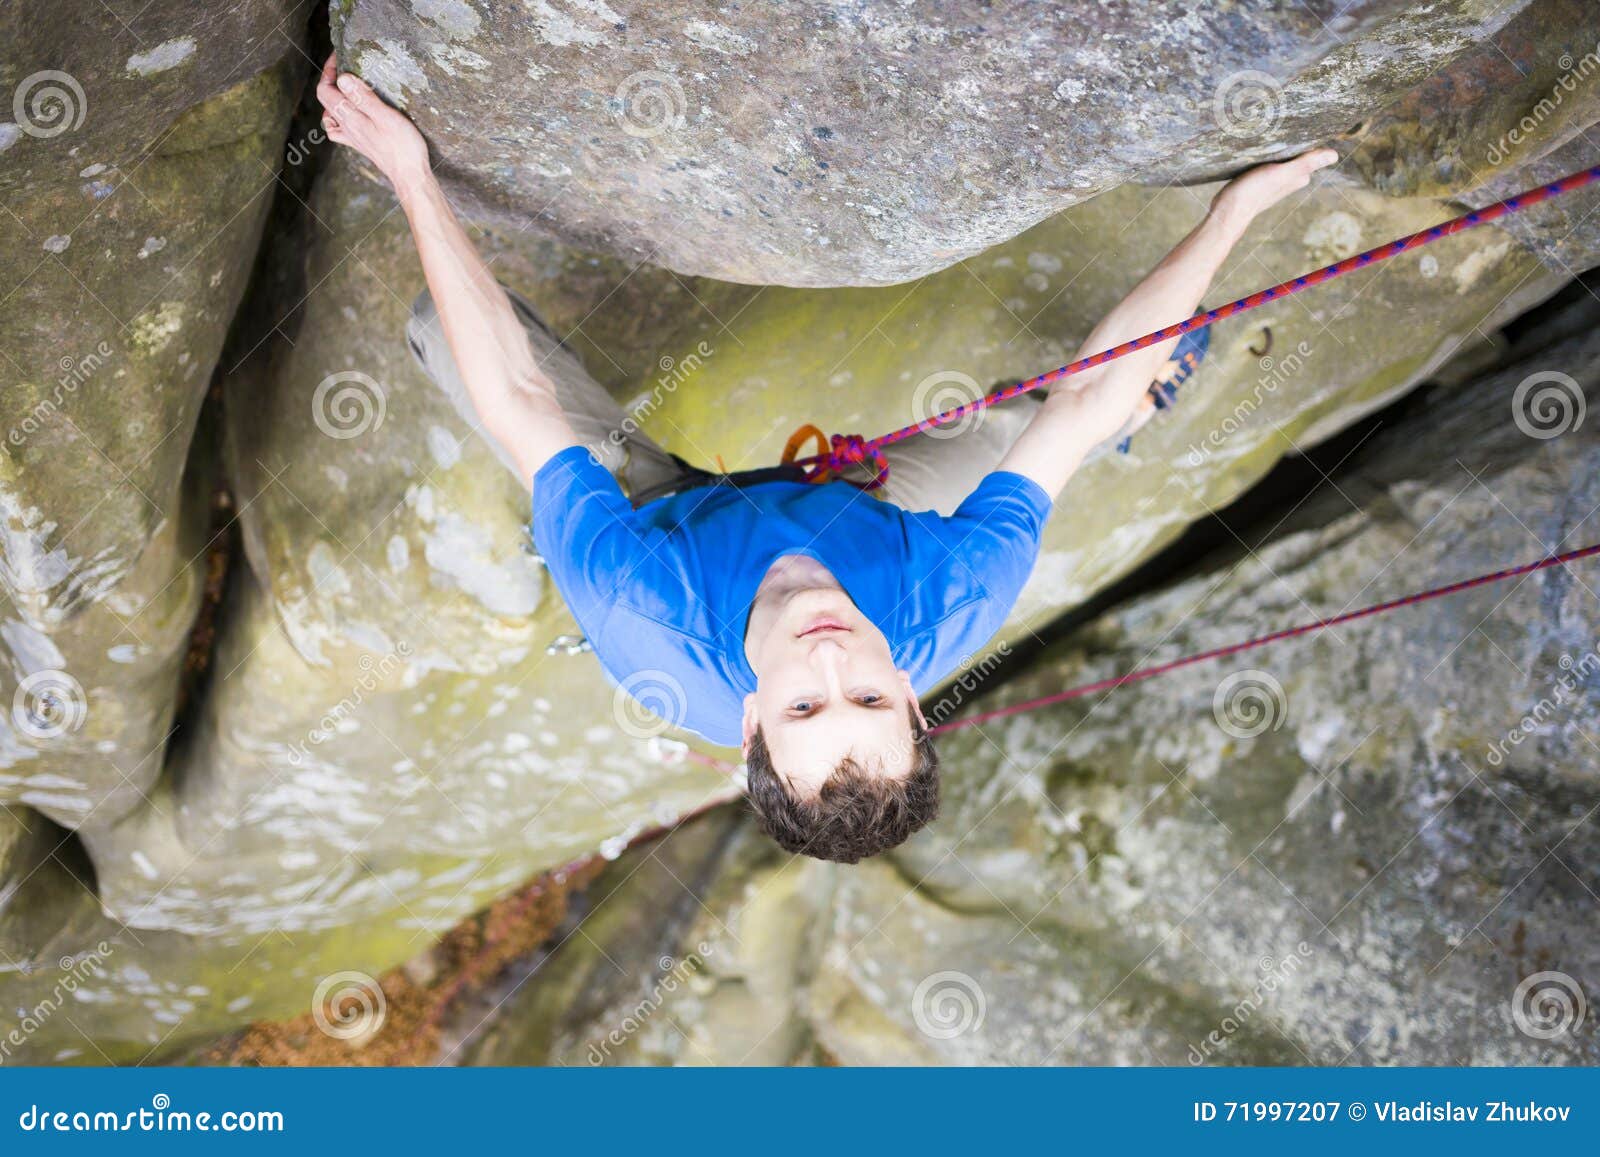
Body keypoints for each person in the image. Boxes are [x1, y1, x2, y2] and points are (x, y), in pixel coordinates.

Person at [316, 56, 1337, 863]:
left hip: (671, 518)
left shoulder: (637, 598)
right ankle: (1146, 409)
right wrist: (1235, 212)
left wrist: (412, 173)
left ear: (753, 716)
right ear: (911, 688)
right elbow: (1081, 399)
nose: (833, 659)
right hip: (868, 511)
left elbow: (520, 398)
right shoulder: (953, 594)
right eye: (870, 696)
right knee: (1062, 423)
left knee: (440, 329)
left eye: (805, 704)